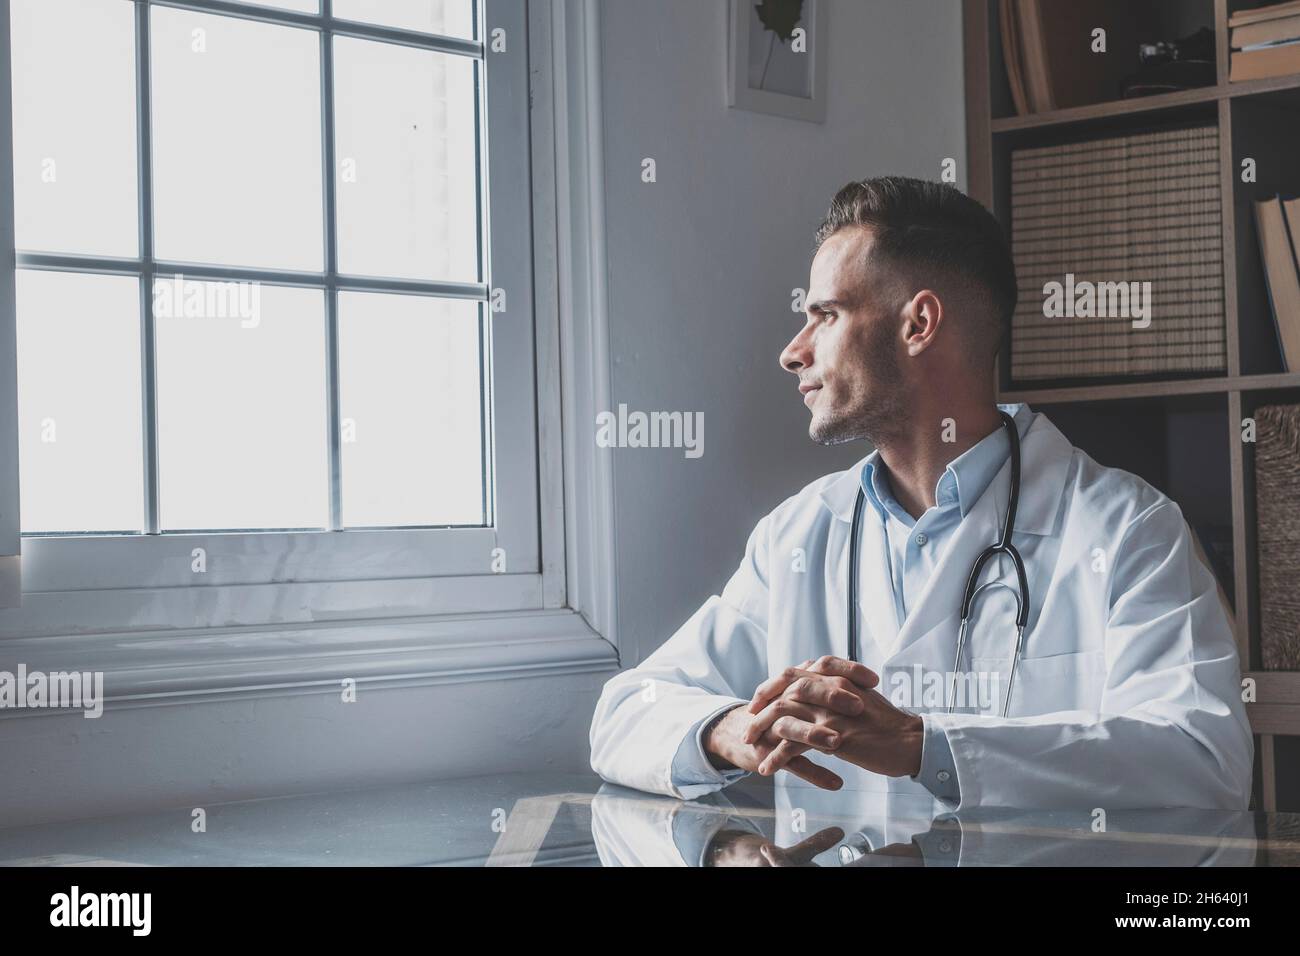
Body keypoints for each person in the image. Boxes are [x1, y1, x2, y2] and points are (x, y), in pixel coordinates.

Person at [588, 176, 1253, 810]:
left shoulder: (1128, 530)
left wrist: (923, 748)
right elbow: (625, 715)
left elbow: (1202, 760)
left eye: (825, 314)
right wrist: (728, 728)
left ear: (918, 324)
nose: (794, 352)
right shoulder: (797, 536)